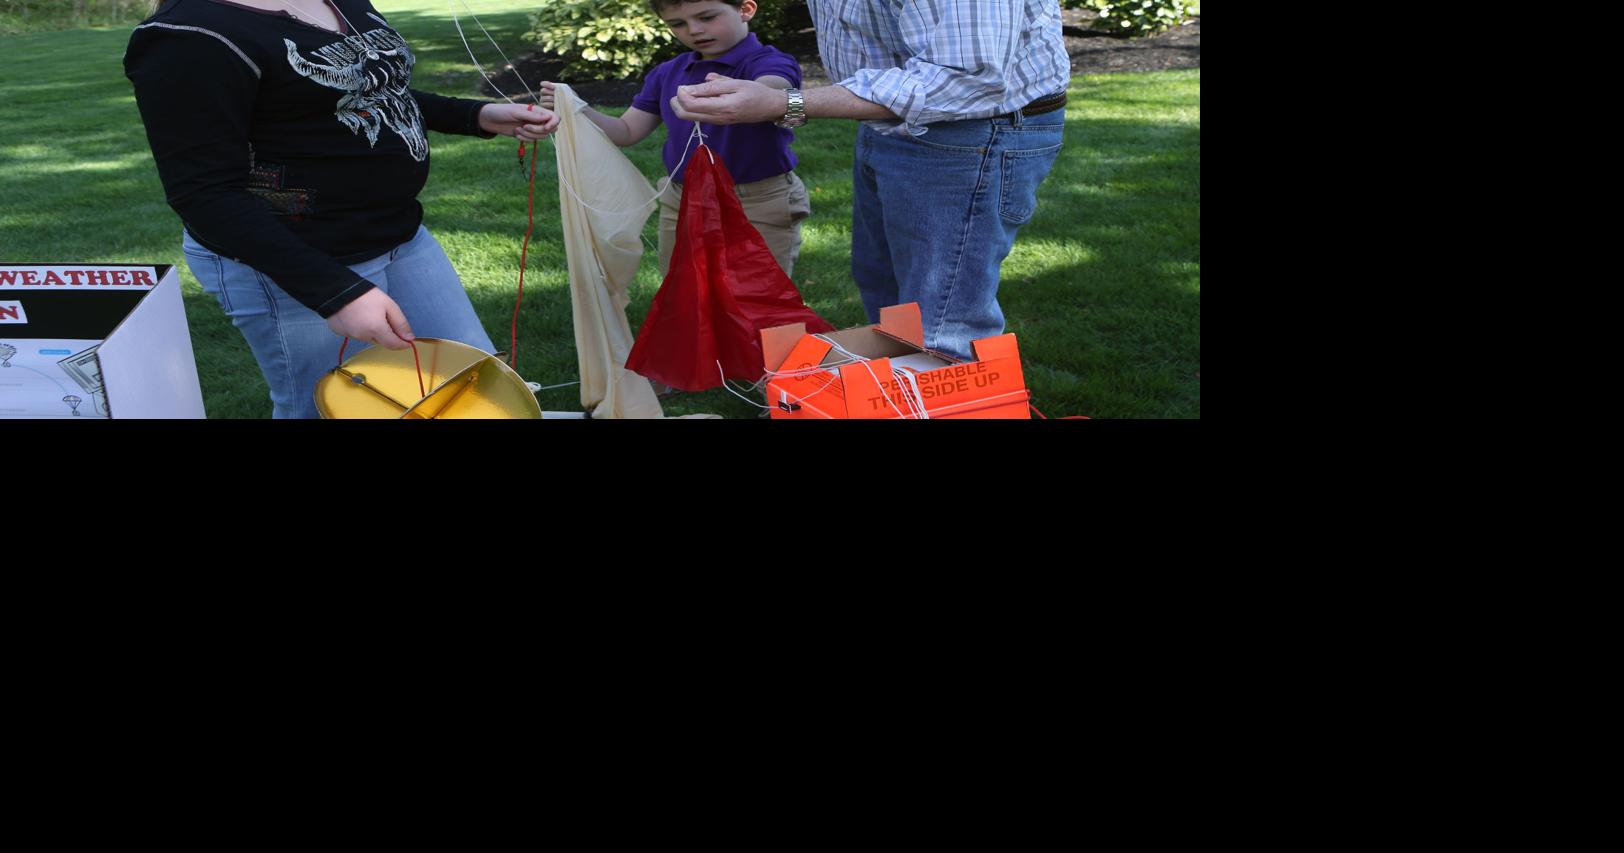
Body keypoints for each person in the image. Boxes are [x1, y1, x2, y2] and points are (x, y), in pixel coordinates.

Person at [124, 0, 559, 418]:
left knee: (472, 386)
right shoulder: (188, 36)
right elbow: (204, 195)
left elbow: (372, 89)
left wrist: (475, 114)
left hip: (399, 236)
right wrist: (335, 293)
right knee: (328, 408)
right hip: (294, 262)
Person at [672, 0, 1070, 362]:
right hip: (887, 121)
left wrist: (786, 102)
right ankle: (893, 396)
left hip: (974, 130)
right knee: (888, 296)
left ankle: (945, 397)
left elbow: (966, 78)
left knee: (941, 321)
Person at [535, 0, 809, 278]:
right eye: (678, 24)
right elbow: (626, 131)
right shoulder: (668, 73)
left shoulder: (768, 63)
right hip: (682, 200)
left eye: (707, 17)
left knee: (763, 296)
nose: (695, 30)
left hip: (757, 200)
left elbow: (777, 91)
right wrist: (577, 108)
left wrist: (756, 96)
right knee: (686, 291)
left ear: (746, 9)